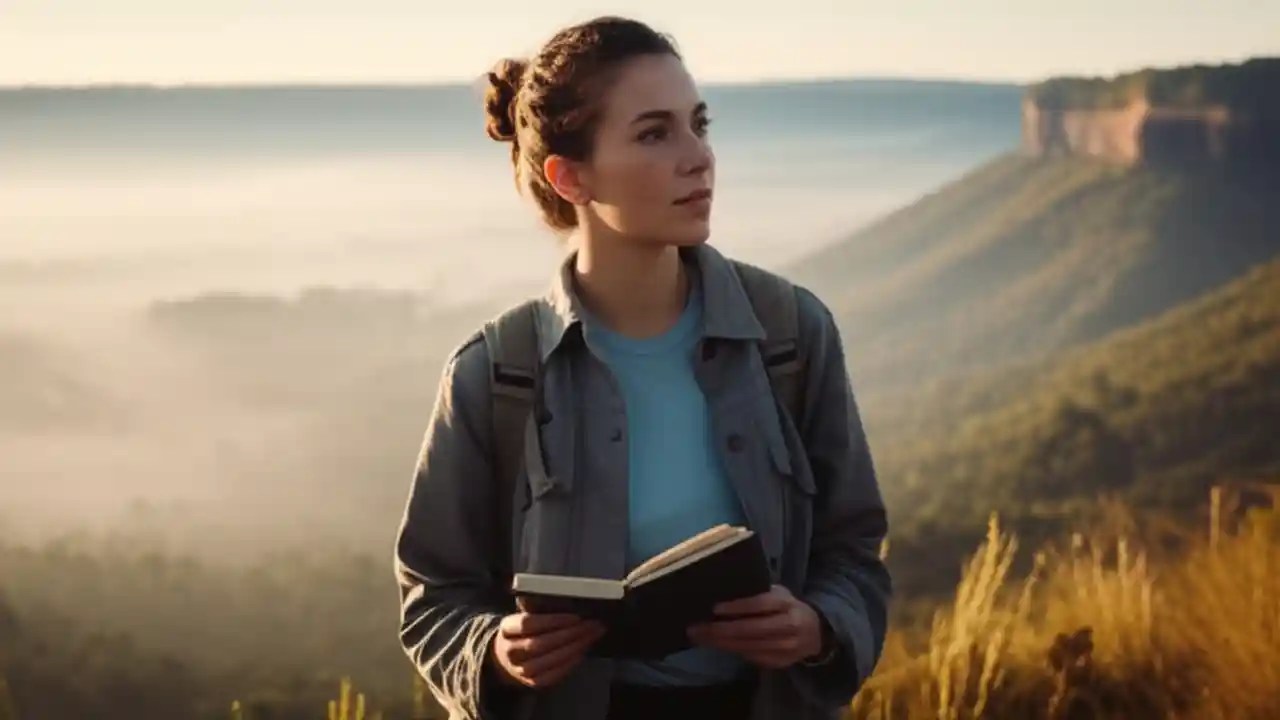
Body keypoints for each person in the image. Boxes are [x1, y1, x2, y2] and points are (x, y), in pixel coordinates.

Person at [394, 15, 890, 720]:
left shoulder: (790, 335)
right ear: (570, 177)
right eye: (655, 134)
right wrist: (494, 651)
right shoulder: (494, 374)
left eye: (699, 125)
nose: (700, 158)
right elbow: (432, 594)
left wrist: (818, 627)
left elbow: (855, 548)